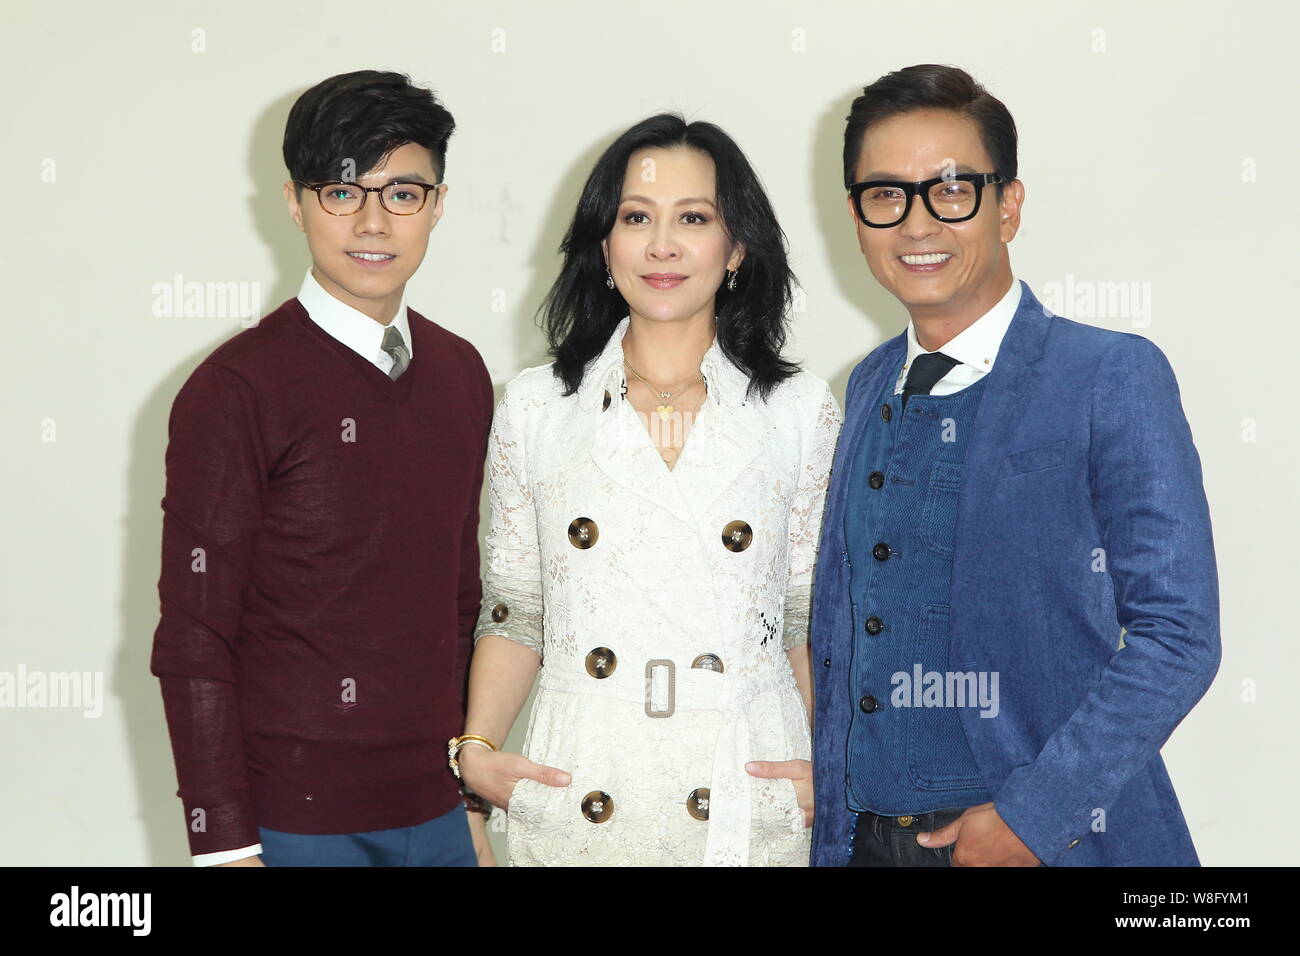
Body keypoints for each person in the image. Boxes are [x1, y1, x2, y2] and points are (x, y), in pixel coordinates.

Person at [810, 64, 1220, 867]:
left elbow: (1180, 635)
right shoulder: (864, 386)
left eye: (952, 189)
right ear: (856, 217)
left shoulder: (1107, 375)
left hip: (1044, 843)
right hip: (867, 843)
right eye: (885, 194)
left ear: (1010, 207)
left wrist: (1033, 817)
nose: (917, 223)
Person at [449, 113, 842, 866]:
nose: (662, 245)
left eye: (693, 218)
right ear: (605, 246)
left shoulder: (798, 410)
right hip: (584, 783)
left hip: (747, 787)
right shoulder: (536, 407)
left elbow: (807, 617)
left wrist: (835, 767)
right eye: (637, 218)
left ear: (736, 249)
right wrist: (475, 752)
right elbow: (516, 607)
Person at [150, 70, 495, 867]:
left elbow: (459, 600)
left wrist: (467, 797)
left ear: (438, 205)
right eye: (342, 192)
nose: (373, 221)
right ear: (296, 203)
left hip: (439, 814)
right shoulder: (235, 388)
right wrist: (223, 846)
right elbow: (195, 636)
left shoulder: (461, 373)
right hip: (292, 825)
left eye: (403, 192)